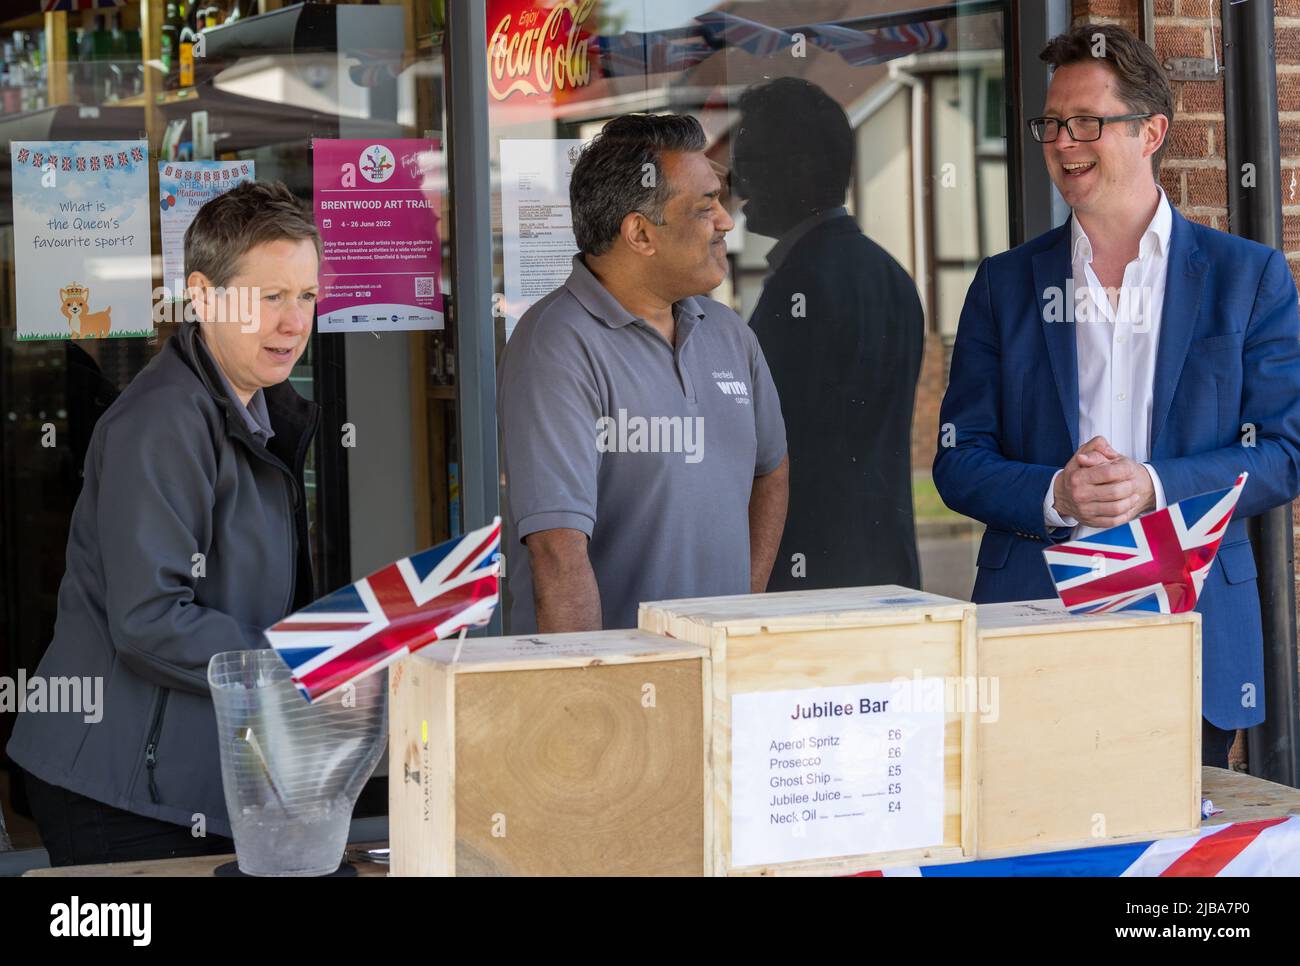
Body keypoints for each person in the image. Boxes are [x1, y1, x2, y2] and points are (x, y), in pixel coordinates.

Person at [933, 24, 1300, 769]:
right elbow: (957, 460)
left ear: (1152, 131)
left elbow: (1284, 453)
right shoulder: (1006, 285)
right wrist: (1059, 495)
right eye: (1052, 124)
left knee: (1168, 853)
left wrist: (1154, 485)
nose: (1064, 143)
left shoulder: (1246, 276)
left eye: (1087, 123)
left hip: (1188, 623)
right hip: (1033, 623)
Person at [6, 180, 322, 865]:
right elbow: (150, 620)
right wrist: (305, 661)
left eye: (306, 297)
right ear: (203, 298)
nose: (294, 322)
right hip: (120, 787)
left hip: (184, 777)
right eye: (270, 297)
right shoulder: (163, 423)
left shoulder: (259, 408)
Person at [498, 113, 789, 633]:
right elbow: (557, 554)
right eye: (705, 208)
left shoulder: (729, 333)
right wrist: (591, 690)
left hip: (714, 670)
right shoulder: (557, 343)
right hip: (622, 682)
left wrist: (742, 609)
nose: (725, 221)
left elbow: (771, 467)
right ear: (640, 233)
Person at [734, 77, 924, 591]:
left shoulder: (803, 282)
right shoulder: (890, 275)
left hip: (810, 572)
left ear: (799, 169)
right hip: (884, 563)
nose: (736, 179)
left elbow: (768, 443)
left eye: (751, 160)